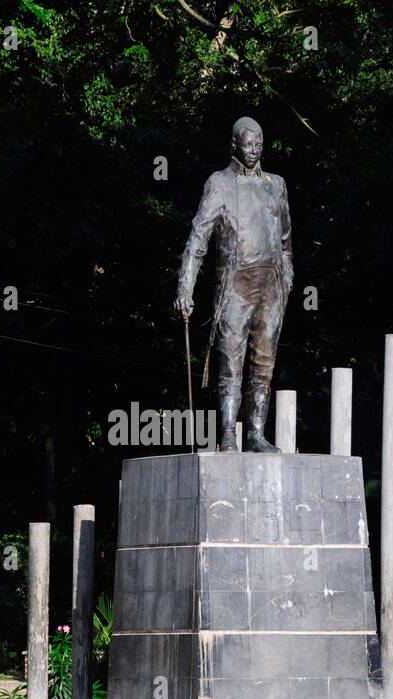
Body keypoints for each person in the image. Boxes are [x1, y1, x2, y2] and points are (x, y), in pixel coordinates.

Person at [174, 116, 293, 453]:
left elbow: (286, 241)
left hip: (271, 286)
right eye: (248, 144)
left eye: (258, 144)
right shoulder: (220, 183)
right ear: (235, 145)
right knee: (230, 362)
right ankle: (228, 434)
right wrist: (186, 287)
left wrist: (288, 279)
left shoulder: (276, 184)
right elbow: (198, 238)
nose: (254, 150)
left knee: (264, 363)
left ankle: (255, 434)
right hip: (235, 287)